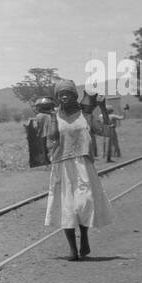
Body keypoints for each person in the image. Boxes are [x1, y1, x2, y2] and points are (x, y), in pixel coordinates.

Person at [43, 80, 113, 259]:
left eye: (68, 93)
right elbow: (51, 137)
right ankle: (73, 249)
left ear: (75, 96)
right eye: (60, 94)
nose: (64, 97)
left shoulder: (86, 114)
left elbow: (106, 131)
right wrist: (52, 116)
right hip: (63, 164)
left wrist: (103, 109)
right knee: (67, 207)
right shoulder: (55, 116)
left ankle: (85, 239)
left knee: (84, 203)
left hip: (83, 163)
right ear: (57, 98)